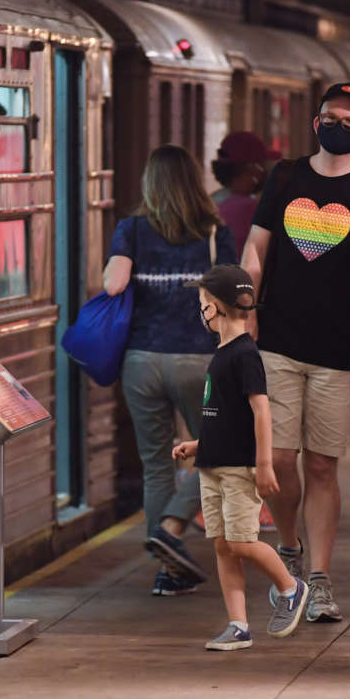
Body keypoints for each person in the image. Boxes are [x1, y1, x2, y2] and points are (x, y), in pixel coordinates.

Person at [242, 83, 350, 623]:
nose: (339, 125)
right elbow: (256, 248)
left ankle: (320, 578)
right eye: (330, 116)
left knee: (321, 465)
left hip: (340, 349)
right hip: (278, 342)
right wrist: (244, 308)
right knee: (280, 460)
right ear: (315, 122)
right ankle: (289, 544)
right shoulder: (286, 179)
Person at [104, 144, 239, 596]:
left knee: (156, 465)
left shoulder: (132, 230)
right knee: (219, 453)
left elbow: (113, 283)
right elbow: (237, 299)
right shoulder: (216, 233)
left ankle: (168, 568)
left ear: (150, 184)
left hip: (141, 361)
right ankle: (172, 529)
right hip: (198, 360)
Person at [172, 264, 308, 649]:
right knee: (222, 544)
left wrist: (264, 465)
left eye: (202, 303)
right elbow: (225, 415)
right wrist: (198, 445)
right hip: (213, 464)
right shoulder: (223, 353)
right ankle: (238, 626)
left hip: (239, 470)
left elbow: (261, 411)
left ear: (216, 307)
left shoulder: (245, 354)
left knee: (242, 542)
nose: (201, 311)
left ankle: (290, 586)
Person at [211, 131, 280, 254]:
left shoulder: (212, 201)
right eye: (262, 164)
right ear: (251, 167)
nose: (266, 170)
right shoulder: (248, 208)